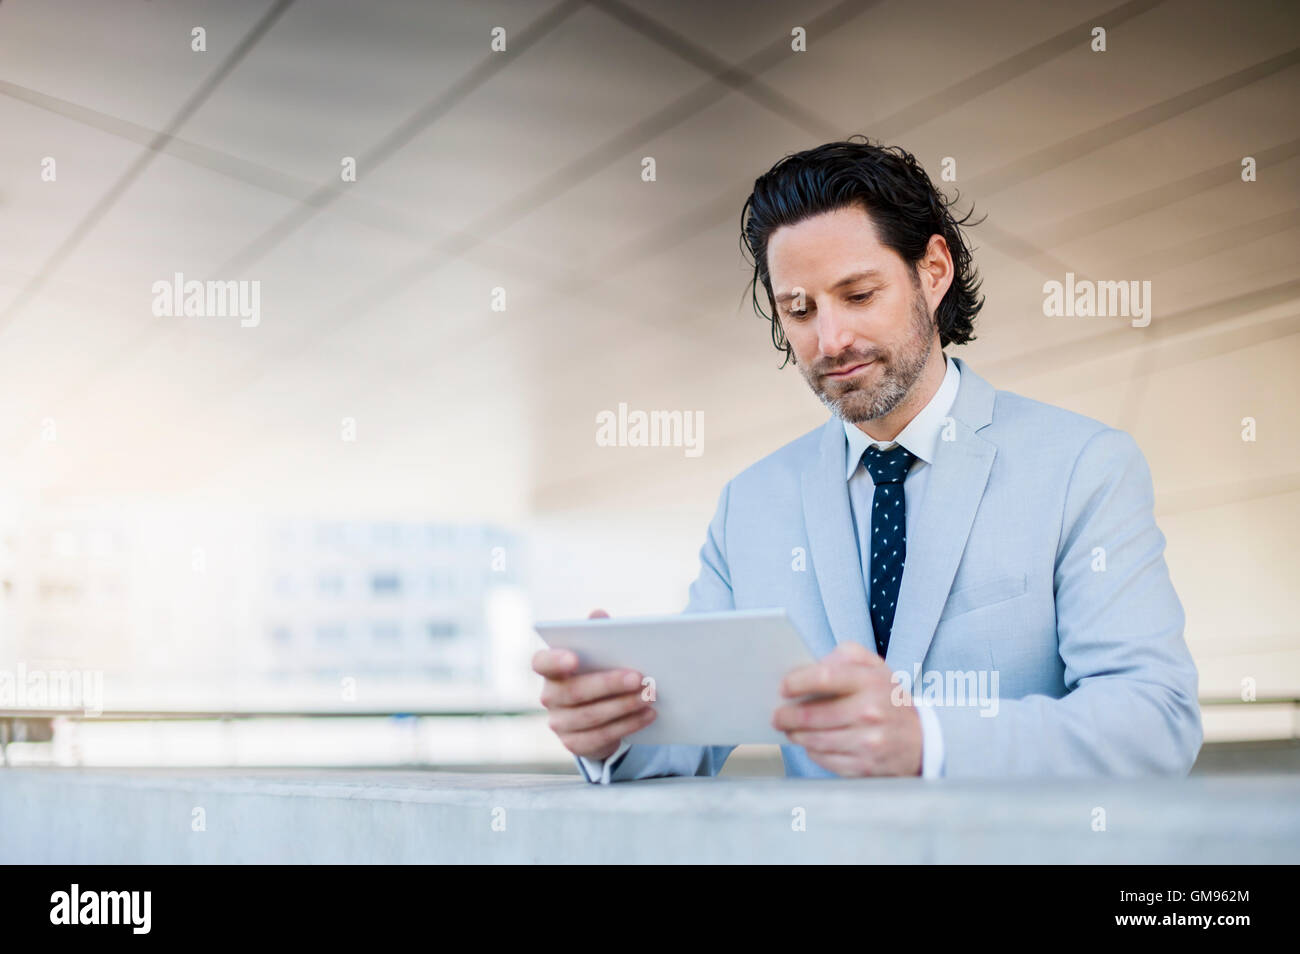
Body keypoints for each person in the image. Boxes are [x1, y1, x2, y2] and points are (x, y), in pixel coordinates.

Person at [533, 137, 1202, 782]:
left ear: (933, 272)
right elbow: (691, 732)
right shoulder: (753, 504)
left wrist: (928, 740)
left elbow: (1154, 719)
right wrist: (617, 727)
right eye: (799, 309)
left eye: (858, 296)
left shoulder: (1084, 467)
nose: (830, 339)